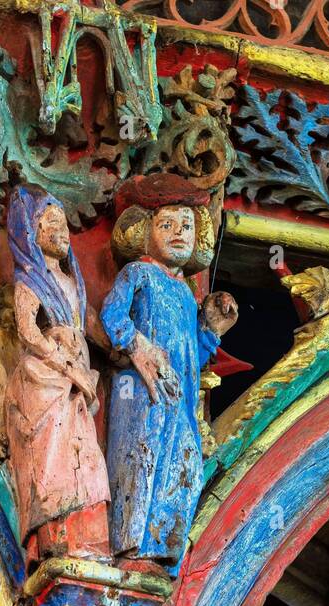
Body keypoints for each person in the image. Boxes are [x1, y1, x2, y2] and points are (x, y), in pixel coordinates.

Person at [100, 174, 238, 569]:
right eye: (167, 225)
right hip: (140, 387)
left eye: (187, 226)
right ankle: (132, 544)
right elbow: (111, 314)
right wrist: (138, 346)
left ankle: (163, 549)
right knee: (143, 455)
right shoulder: (138, 274)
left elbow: (189, 357)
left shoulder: (183, 291)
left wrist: (210, 329)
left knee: (187, 463)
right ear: (145, 232)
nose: (179, 234)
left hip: (178, 397)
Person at [4, 186, 112, 565]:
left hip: (76, 374)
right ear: (29, 235)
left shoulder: (71, 282)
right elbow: (28, 332)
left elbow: (89, 323)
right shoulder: (30, 282)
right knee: (53, 458)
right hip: (48, 376)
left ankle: (87, 537)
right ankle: (53, 538)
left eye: (64, 224)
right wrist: (65, 364)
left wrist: (120, 344)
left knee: (88, 461)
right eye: (50, 224)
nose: (62, 232)